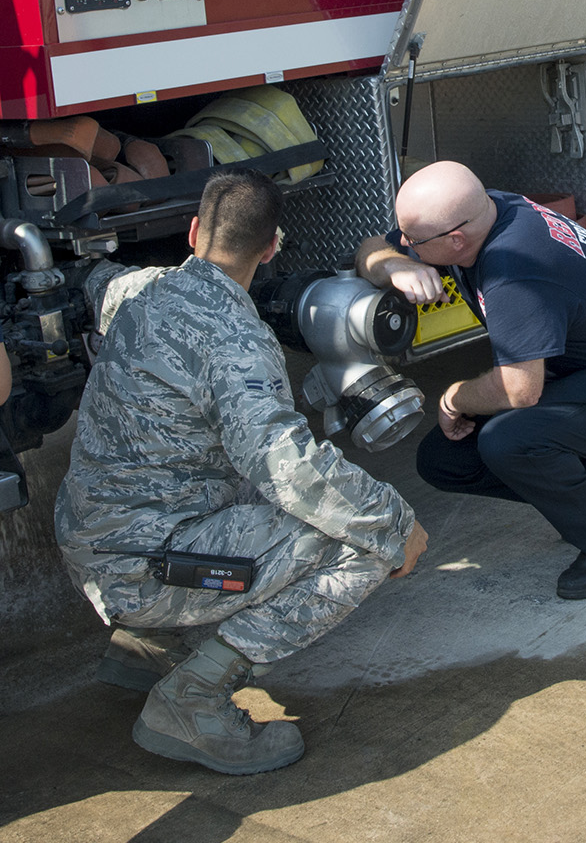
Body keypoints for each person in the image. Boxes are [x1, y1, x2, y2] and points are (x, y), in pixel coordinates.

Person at [55, 170, 427, 775]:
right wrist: (394, 521)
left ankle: (146, 646)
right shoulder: (238, 342)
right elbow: (286, 465)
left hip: (91, 547)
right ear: (272, 247)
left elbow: (95, 284)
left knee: (235, 487)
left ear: (195, 230)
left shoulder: (140, 291)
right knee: (356, 544)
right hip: (145, 568)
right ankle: (193, 698)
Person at [355, 162, 586, 601]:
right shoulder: (488, 208)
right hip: (581, 374)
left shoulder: (514, 269)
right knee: (442, 461)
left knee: (510, 442)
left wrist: (453, 396)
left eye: (413, 240)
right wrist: (395, 264)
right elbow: (369, 247)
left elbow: (519, 390)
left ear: (455, 241)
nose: (405, 242)